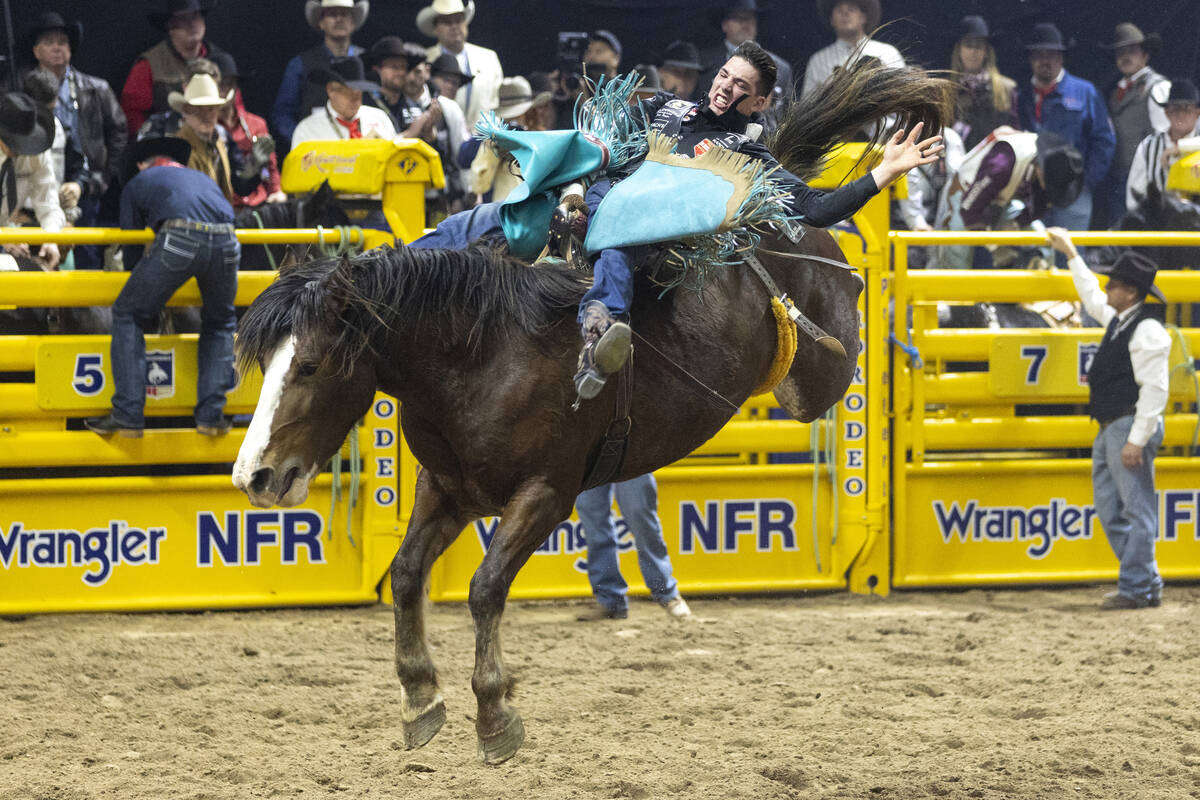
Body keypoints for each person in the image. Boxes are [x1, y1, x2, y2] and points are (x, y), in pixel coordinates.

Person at [413, 43, 942, 399]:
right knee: (491, 218)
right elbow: (609, 141)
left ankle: (599, 334)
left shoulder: (745, 157)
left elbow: (816, 209)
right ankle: (408, 260)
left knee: (616, 248)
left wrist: (882, 173)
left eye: (742, 86)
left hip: (636, 226)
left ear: (758, 102)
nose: (725, 88)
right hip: (588, 200)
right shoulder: (665, 108)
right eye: (724, 76)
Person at [1045, 228, 1169, 610]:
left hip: (1126, 425)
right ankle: (1144, 582)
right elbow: (1093, 297)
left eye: (1113, 284)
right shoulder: (1125, 320)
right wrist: (1071, 254)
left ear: (1129, 292)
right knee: (1116, 507)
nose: (1108, 289)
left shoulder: (1145, 329)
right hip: (1115, 424)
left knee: (1133, 508)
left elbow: (1156, 390)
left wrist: (1136, 438)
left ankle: (1137, 586)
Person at [84, 137, 238, 439]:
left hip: (180, 240)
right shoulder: (202, 179)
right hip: (228, 242)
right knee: (220, 322)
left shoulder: (138, 182)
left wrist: (140, 279)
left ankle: (128, 413)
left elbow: (130, 244)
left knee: (128, 313)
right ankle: (211, 416)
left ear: (142, 165)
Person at [24, 11, 127, 266]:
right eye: (49, 42)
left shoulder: (96, 88)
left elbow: (119, 133)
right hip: (31, 193)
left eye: (63, 42)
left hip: (83, 187)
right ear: (36, 51)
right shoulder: (19, 87)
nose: (57, 48)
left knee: (85, 256)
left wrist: (99, 180)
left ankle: (82, 306)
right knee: (34, 257)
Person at [1016, 22, 1115, 233]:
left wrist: (1085, 182)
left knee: (1070, 256)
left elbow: (1104, 140)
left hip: (1073, 193)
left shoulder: (1086, 92)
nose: (1046, 60)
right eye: (1039, 54)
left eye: (1051, 54)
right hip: (1031, 194)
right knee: (1033, 257)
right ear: (1030, 59)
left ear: (1061, 57)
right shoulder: (1020, 96)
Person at [575, 475, 691, 621]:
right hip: (592, 454)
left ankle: (668, 595)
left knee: (640, 515)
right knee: (594, 523)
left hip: (630, 453)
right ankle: (610, 601)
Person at [1098, 23, 1170, 228]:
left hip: (1146, 181)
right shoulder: (1116, 92)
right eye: (1120, 52)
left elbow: (1166, 136)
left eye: (1132, 51)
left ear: (1145, 55)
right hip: (1119, 178)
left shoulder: (1157, 87)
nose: (1125, 57)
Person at [271, 0, 368, 146]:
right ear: (321, 22)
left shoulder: (367, 61)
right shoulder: (300, 64)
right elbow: (282, 113)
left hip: (363, 148)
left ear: (353, 23)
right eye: (332, 14)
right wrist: (303, 140)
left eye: (344, 14)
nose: (339, 19)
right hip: (316, 152)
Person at [121, 0, 225, 136]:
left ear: (203, 21)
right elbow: (132, 113)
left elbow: (231, 109)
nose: (191, 24)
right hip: (166, 145)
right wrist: (153, 143)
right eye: (183, 19)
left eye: (195, 16)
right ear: (170, 27)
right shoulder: (149, 65)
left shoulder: (221, 61)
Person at [167, 73, 261, 204]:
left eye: (211, 109)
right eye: (198, 109)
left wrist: (254, 166)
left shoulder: (220, 141)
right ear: (186, 111)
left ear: (218, 111)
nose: (205, 116)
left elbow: (239, 187)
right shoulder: (177, 148)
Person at [210, 52, 285, 209]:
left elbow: (270, 165)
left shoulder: (256, 124)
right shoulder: (208, 127)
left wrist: (276, 191)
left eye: (229, 83)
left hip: (258, 204)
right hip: (223, 203)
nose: (224, 90)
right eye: (219, 84)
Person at [0, 92, 64, 269]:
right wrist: (5, 237)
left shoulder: (38, 155)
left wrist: (50, 239)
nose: (20, 149)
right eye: (15, 143)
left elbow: (49, 205)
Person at [418, 0, 503, 130]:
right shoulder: (424, 60)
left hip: (483, 142)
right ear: (435, 28)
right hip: (439, 141)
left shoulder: (489, 59)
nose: (454, 26)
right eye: (447, 22)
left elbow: (498, 104)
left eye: (459, 20)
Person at [469, 76, 553, 203]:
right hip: (507, 213)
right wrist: (495, 146)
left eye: (519, 116)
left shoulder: (543, 139)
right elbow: (478, 185)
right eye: (509, 120)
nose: (514, 124)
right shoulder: (495, 140)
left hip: (535, 211)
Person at [22, 69, 87, 227]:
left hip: (53, 216)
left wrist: (77, 185)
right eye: (39, 111)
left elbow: (80, 167)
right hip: (16, 218)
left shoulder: (60, 129)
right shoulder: (10, 132)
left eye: (49, 110)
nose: (45, 117)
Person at [700, 0, 794, 107]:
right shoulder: (703, 63)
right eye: (737, 18)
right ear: (724, 24)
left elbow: (787, 112)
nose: (744, 23)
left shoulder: (781, 68)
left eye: (749, 18)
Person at [802, 0, 903, 98]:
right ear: (832, 20)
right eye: (839, 10)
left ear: (863, 17)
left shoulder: (888, 53)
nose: (845, 13)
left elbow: (903, 97)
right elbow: (807, 106)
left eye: (851, 9)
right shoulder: (818, 61)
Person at [1126, 79, 1200, 211]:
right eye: (1176, 108)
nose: (1181, 114)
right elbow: (1135, 192)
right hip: (1160, 222)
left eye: (1187, 109)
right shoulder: (1148, 146)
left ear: (1197, 112)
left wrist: (1182, 147)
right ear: (1166, 112)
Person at [291, 57, 396, 146]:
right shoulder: (308, 130)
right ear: (331, 90)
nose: (355, 100)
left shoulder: (379, 118)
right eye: (349, 93)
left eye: (359, 93)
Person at [950, 15, 1019, 151]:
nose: (973, 51)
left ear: (987, 51)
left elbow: (1017, 133)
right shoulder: (947, 89)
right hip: (958, 163)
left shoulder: (1007, 88)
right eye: (968, 45)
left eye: (979, 46)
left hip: (995, 165)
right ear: (959, 49)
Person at [363, 37, 429, 137]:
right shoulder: (365, 104)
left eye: (403, 67)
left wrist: (431, 134)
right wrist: (408, 135)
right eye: (394, 67)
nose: (401, 72)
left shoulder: (414, 107)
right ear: (377, 70)